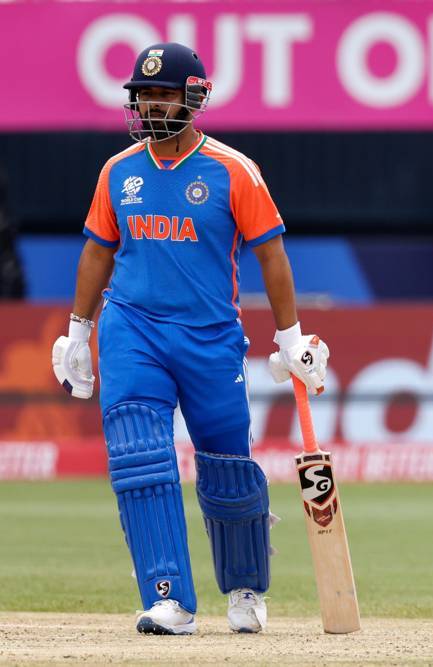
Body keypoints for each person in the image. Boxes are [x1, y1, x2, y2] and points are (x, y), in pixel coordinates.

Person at [50, 42, 329, 635]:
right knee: (138, 455)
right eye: (142, 95)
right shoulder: (117, 171)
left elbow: (271, 255)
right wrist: (78, 331)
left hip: (210, 338)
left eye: (162, 94)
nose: (150, 105)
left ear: (193, 98)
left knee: (227, 466)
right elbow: (98, 252)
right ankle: (168, 596)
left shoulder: (232, 169)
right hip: (133, 329)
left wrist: (290, 338)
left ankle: (246, 587)